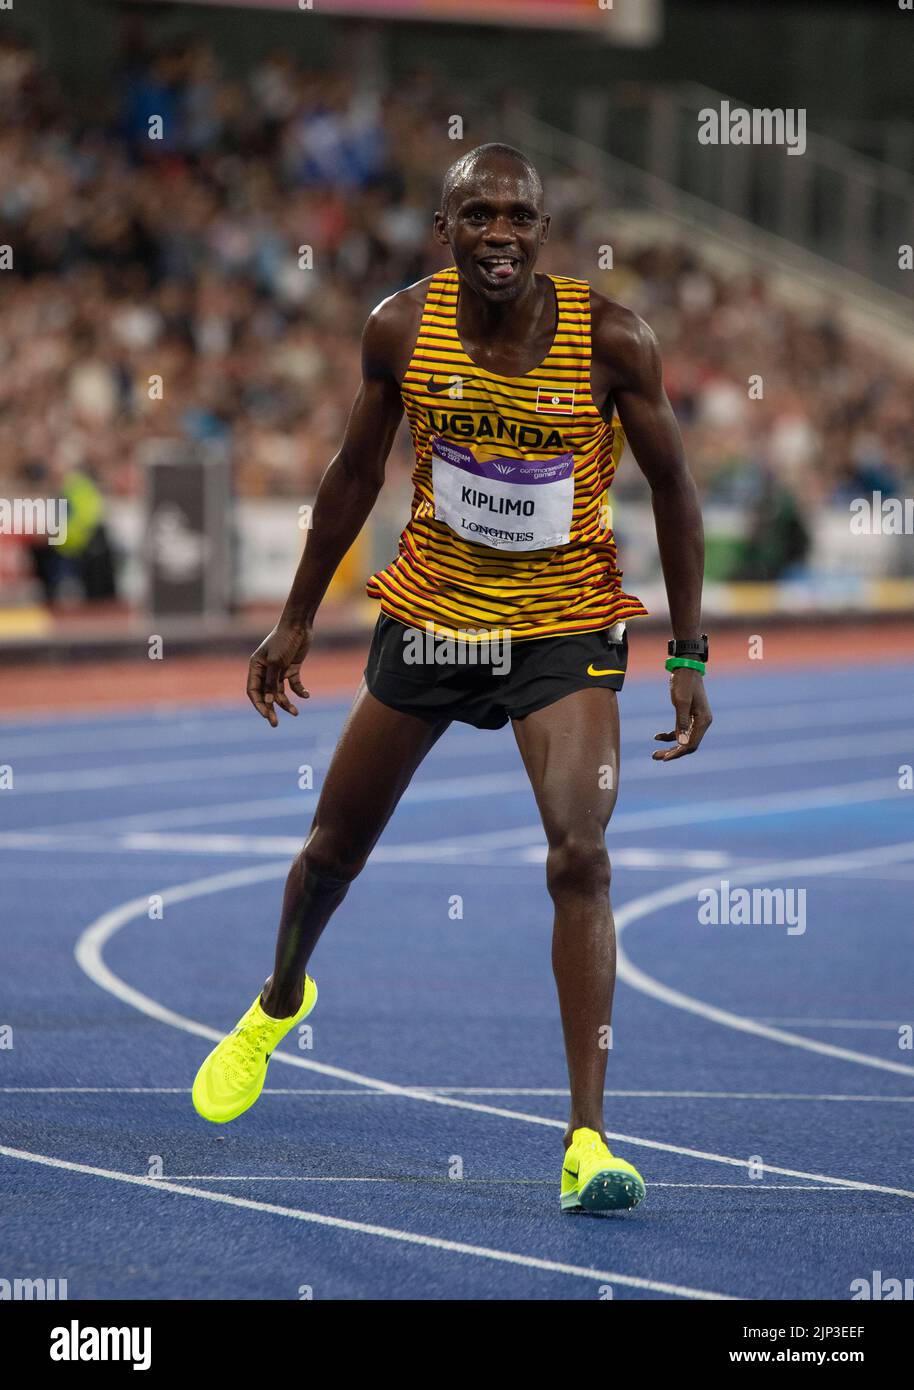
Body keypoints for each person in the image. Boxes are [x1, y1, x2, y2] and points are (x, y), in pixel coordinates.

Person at [192, 144, 712, 1214]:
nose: (500, 234)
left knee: (580, 856)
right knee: (331, 852)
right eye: (478, 215)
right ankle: (278, 999)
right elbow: (353, 473)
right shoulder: (398, 328)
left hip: (562, 627)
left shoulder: (613, 340)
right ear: (444, 230)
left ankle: (586, 1141)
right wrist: (295, 618)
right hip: (432, 618)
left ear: (544, 232)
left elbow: (673, 488)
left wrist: (690, 650)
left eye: (519, 216)